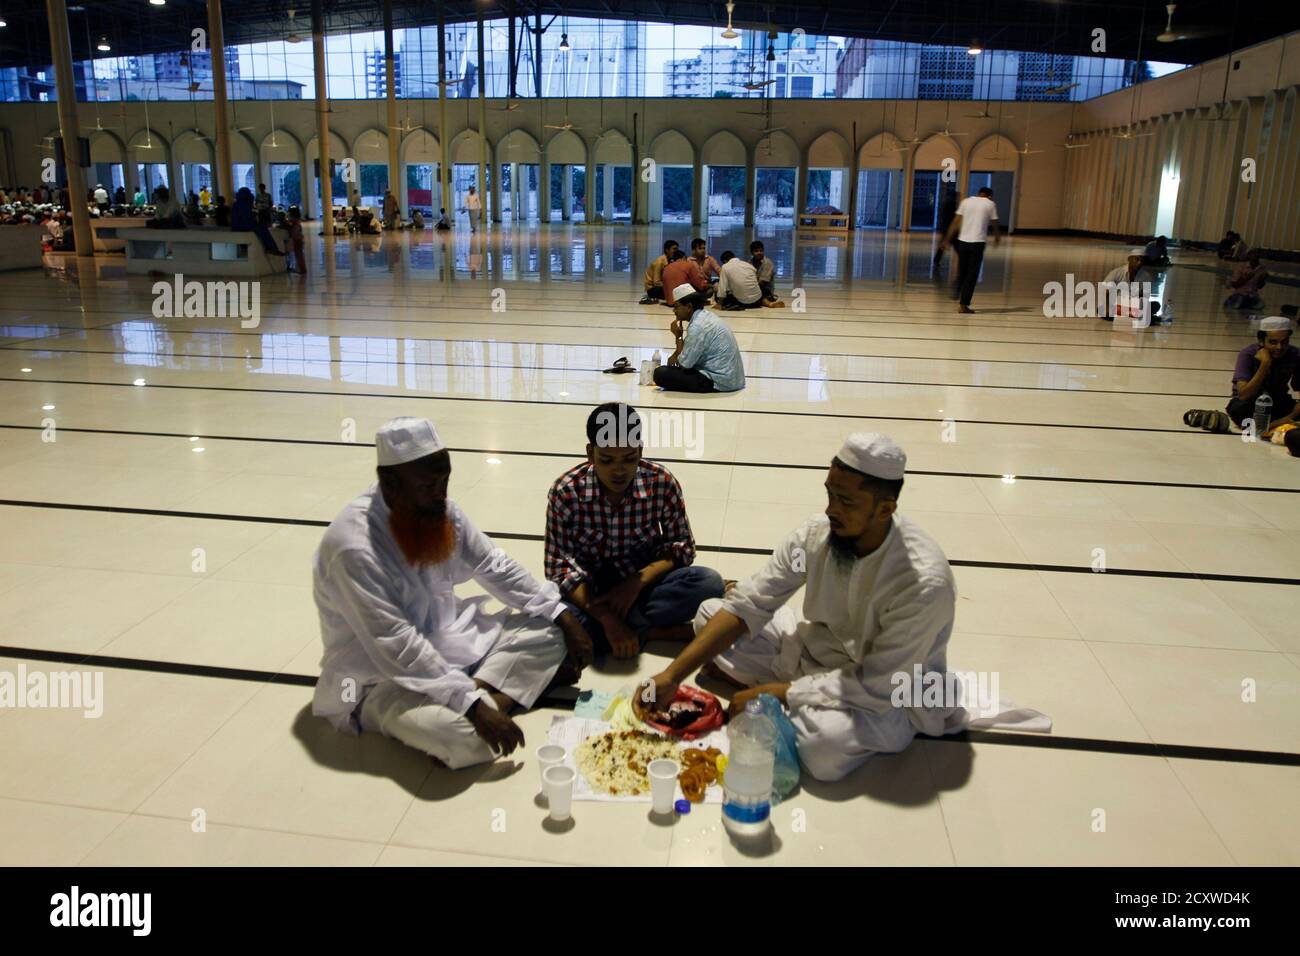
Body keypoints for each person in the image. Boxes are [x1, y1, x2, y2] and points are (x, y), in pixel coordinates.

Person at [635, 434, 962, 782]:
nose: (831, 509)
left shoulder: (922, 582)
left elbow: (879, 682)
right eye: (830, 494)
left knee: (823, 749)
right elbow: (751, 602)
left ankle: (800, 698)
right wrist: (672, 676)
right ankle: (798, 696)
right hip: (815, 654)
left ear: (885, 509)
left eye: (846, 501)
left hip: (888, 692)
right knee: (710, 615)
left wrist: (777, 693)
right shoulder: (818, 534)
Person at [312, 417, 593, 769]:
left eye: (444, 480)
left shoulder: (438, 509)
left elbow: (493, 564)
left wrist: (561, 615)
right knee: (463, 738)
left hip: (451, 641)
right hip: (381, 678)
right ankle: (505, 692)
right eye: (429, 485)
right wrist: (472, 708)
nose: (441, 493)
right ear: (390, 483)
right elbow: (397, 644)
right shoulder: (354, 547)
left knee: (550, 628)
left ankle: (493, 697)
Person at [545, 403, 726, 660]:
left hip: (643, 590)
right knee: (551, 622)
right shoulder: (566, 492)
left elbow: (683, 546)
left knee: (708, 583)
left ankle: (618, 632)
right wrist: (606, 616)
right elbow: (558, 567)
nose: (619, 470)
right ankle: (651, 631)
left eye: (629, 459)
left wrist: (636, 582)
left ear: (640, 451)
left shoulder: (660, 482)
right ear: (590, 453)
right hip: (590, 595)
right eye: (607, 460)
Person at [1184, 317, 1299, 435]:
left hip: (1278, 400)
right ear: (1261, 341)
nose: (1279, 347)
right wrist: (1265, 365)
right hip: (1250, 403)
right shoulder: (1248, 354)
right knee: (1239, 410)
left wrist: (1291, 416)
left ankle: (1274, 424)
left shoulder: (1294, 354)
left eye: (1284, 342)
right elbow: (1244, 394)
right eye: (1273, 342)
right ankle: (1274, 425)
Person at [653, 284, 746, 393]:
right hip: (732, 378)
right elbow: (684, 356)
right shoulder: (705, 316)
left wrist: (678, 337)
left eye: (677, 306)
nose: (674, 311)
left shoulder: (697, 327)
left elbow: (684, 365)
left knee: (660, 374)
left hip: (719, 380)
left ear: (688, 307)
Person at [940, 186, 1001, 314]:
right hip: (978, 243)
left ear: (979, 193)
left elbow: (955, 222)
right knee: (972, 275)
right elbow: (995, 223)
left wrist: (946, 240)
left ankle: (957, 288)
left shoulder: (966, 201)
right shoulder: (990, 204)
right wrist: (997, 237)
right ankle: (963, 305)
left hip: (963, 242)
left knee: (962, 270)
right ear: (989, 196)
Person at [1099, 248, 1160, 323]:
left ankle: (1132, 316)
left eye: (1142, 260)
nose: (1139, 262)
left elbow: (1144, 296)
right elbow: (1105, 292)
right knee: (1101, 310)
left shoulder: (1146, 276)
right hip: (1117, 306)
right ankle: (1140, 316)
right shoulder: (1117, 273)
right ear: (1129, 259)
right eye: (1136, 259)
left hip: (1133, 306)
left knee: (1156, 305)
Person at [230, 186, 282, 255]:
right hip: (242, 226)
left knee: (262, 228)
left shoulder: (237, 204)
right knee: (263, 229)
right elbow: (246, 217)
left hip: (238, 226)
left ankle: (271, 248)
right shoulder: (243, 204)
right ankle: (272, 249)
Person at [641, 239, 678, 304]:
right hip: (653, 289)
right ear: (667, 250)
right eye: (674, 249)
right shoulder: (659, 262)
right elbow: (656, 282)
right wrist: (670, 286)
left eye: (677, 249)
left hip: (662, 287)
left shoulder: (670, 260)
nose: (676, 251)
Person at [933, 186, 959, 272]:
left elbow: (943, 216)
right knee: (956, 245)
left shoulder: (946, 203)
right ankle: (937, 259)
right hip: (950, 228)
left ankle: (937, 260)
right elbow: (952, 218)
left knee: (943, 245)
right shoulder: (952, 204)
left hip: (946, 227)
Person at [750, 240, 783, 306]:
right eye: (756, 251)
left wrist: (749, 288)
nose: (759, 253)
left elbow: (763, 282)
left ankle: (768, 303)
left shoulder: (767, 263)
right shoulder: (750, 262)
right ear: (752, 252)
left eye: (761, 250)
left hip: (765, 290)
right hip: (754, 288)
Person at [286, 205, 306, 274]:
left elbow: (294, 231)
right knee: (299, 255)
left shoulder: (294, 222)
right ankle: (302, 269)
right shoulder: (297, 221)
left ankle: (301, 269)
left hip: (297, 239)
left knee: (298, 255)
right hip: (299, 239)